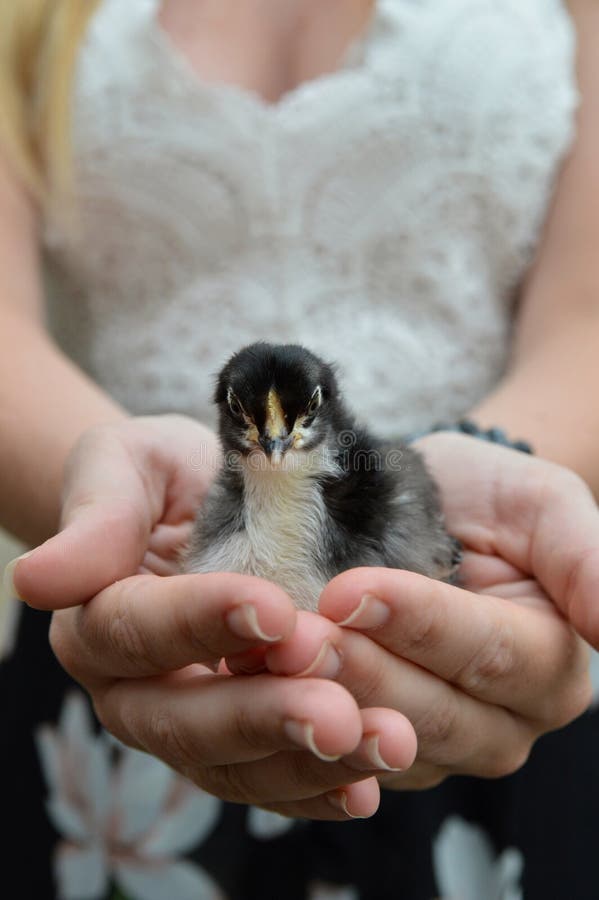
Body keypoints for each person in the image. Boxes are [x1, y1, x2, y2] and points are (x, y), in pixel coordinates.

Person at [2, 1, 599, 897]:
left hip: (484, 601)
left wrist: (458, 495)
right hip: (138, 641)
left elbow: (585, 317)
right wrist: (115, 513)